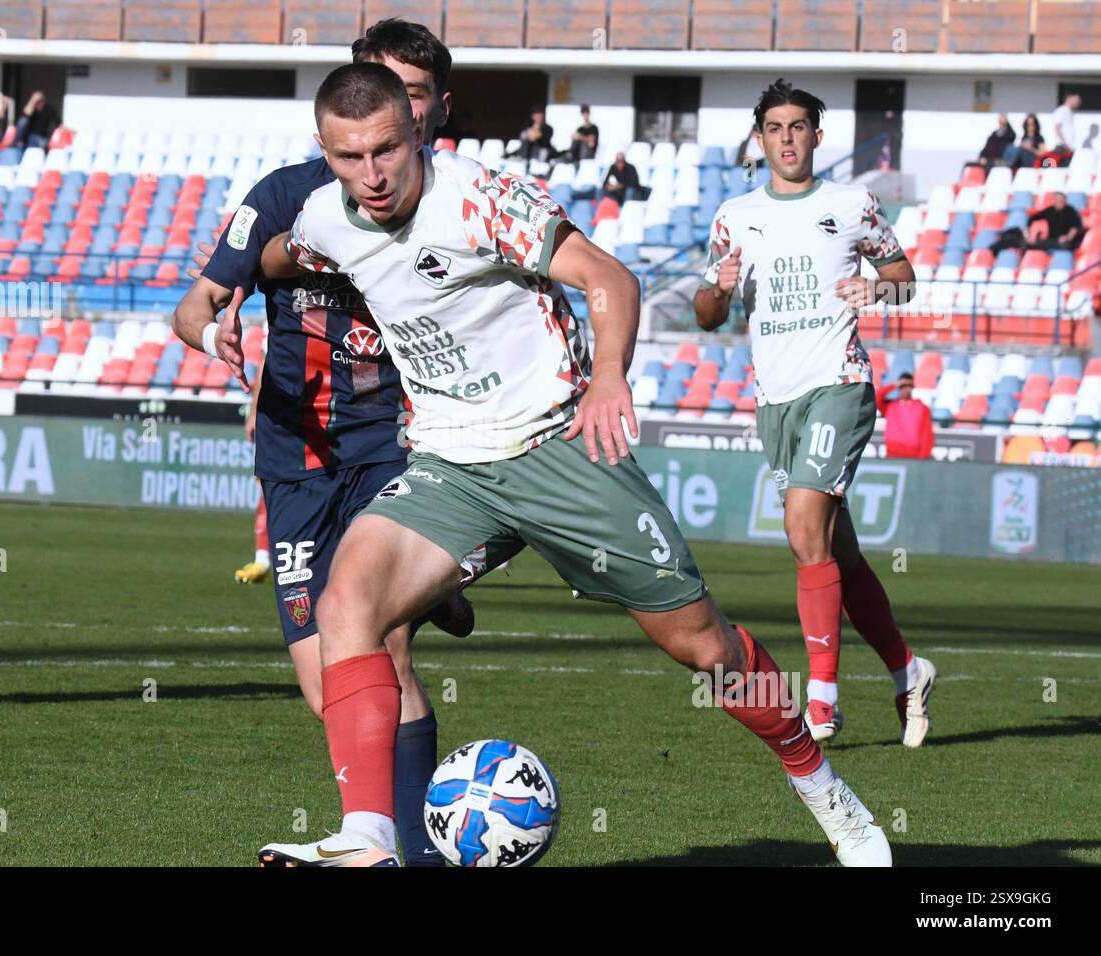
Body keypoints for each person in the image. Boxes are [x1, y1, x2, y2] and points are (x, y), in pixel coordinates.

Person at [255, 62, 892, 868]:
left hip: (560, 446)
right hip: (451, 462)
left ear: (418, 133)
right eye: (350, 158)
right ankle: (368, 837)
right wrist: (228, 279)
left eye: (387, 150)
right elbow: (283, 253)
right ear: (325, 151)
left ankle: (823, 787)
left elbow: (607, 277)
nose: (372, 176)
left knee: (708, 651)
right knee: (347, 600)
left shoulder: (480, 197)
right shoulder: (324, 216)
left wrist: (609, 378)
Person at [173, 18, 481, 868]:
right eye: (376, 87)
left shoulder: (459, 201)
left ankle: (401, 849)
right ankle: (434, 594)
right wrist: (214, 339)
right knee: (326, 688)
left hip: (396, 447)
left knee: (379, 644)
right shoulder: (283, 196)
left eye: (412, 96)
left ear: (433, 111)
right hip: (298, 458)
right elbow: (194, 306)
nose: (390, 114)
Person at [694, 79, 936, 749]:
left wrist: (878, 286)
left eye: (799, 126)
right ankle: (908, 670)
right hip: (775, 400)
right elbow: (707, 313)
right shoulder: (734, 216)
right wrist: (716, 289)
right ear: (762, 139)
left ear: (816, 136)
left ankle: (822, 701)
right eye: (775, 128)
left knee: (803, 525)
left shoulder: (852, 204)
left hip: (840, 383)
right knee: (837, 555)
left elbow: (905, 274)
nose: (789, 138)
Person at [235, 368, 272, 584]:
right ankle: (263, 558)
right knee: (269, 488)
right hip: (286, 419)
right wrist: (254, 413)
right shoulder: (275, 335)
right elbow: (266, 364)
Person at [990, 191, 1084, 254]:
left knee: (1064, 245)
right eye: (1057, 200)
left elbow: (1075, 227)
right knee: (1027, 244)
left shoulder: (1071, 211)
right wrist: (1028, 234)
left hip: (1062, 241)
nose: (1059, 202)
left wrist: (1067, 237)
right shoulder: (1049, 210)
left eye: (1061, 200)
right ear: (1054, 200)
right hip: (1049, 240)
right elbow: (1032, 219)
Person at [876, 373, 934, 459]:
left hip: (913, 456)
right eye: (903, 386)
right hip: (892, 454)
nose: (907, 389)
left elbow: (927, 434)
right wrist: (894, 385)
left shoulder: (922, 408)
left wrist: (923, 458)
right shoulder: (890, 406)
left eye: (909, 386)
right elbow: (877, 397)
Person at [1050, 93, 1081, 158]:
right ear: (1069, 99)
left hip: (1068, 147)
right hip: (1062, 147)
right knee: (1059, 167)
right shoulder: (1062, 110)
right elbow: (1057, 128)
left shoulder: (1069, 111)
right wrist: (1065, 144)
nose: (1079, 103)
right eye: (1077, 101)